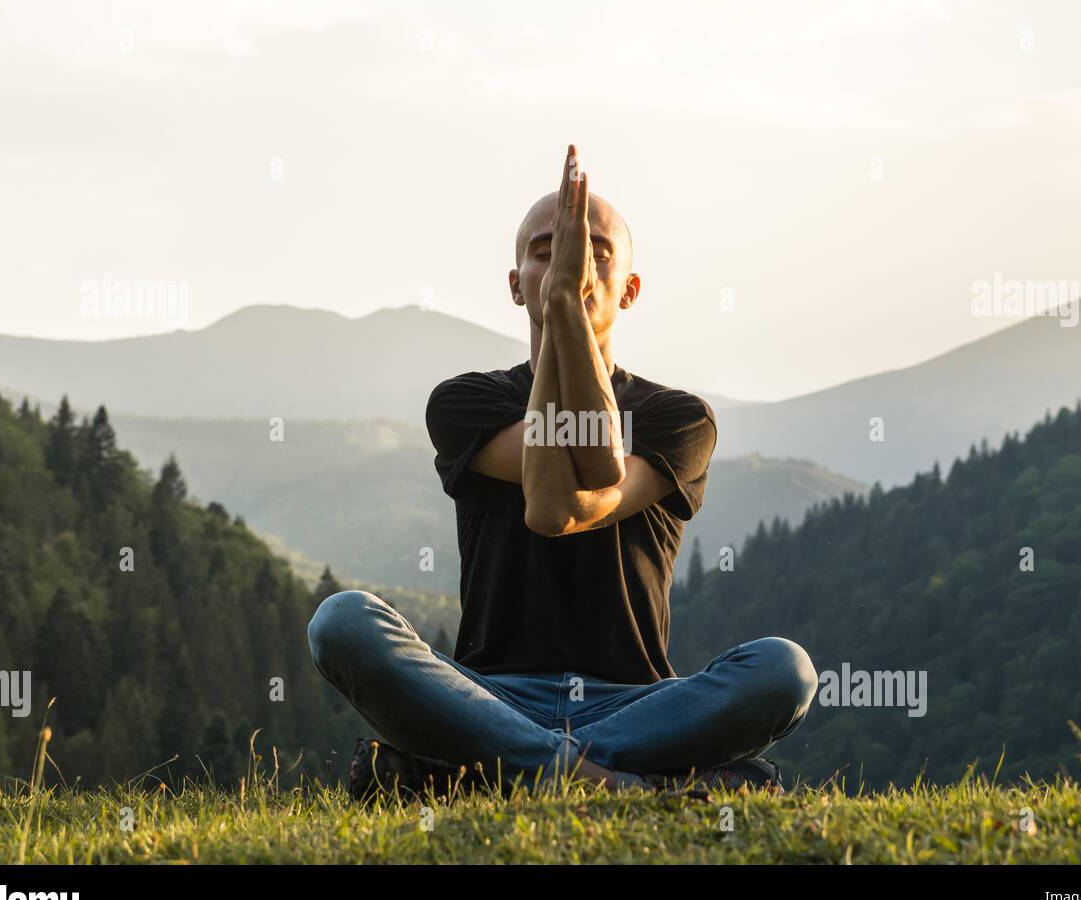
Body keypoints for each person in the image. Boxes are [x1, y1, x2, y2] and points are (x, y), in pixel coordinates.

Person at [308, 145, 818, 802]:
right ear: (516, 282)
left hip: (635, 703)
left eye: (595, 252)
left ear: (630, 289)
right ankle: (616, 784)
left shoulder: (679, 417)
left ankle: (472, 771)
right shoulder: (465, 402)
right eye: (547, 250)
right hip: (491, 695)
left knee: (785, 669)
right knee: (341, 622)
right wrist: (566, 312)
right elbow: (552, 493)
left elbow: (572, 501)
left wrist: (566, 314)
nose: (572, 266)